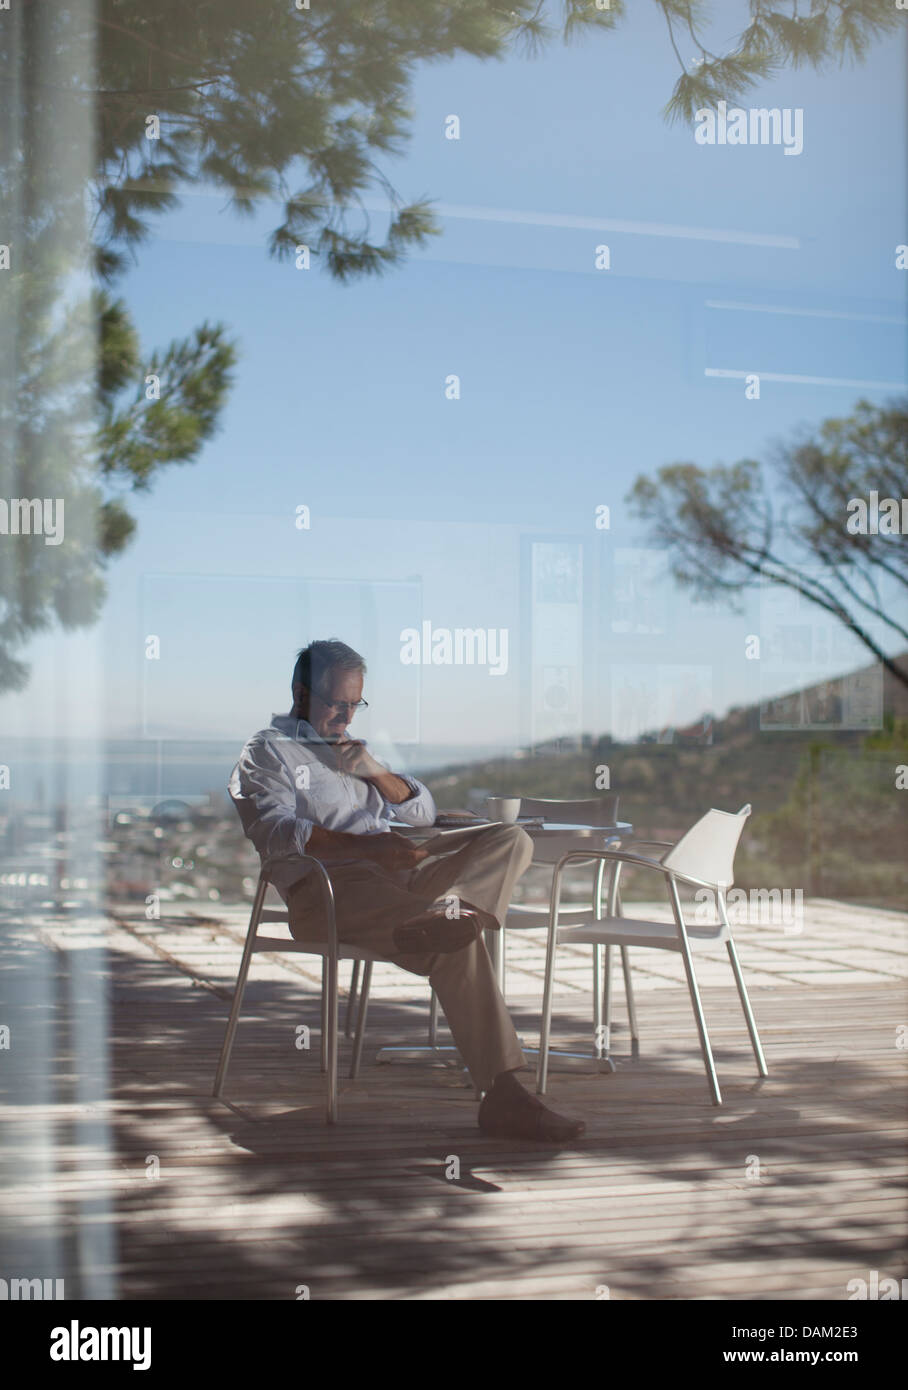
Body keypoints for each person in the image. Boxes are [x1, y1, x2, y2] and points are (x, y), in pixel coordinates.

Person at [229, 638, 585, 1142]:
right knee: (456, 941)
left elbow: (418, 811)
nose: (346, 716)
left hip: (404, 881)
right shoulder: (267, 752)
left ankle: (446, 915)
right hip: (329, 892)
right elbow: (279, 836)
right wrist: (370, 850)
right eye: (336, 703)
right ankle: (506, 1095)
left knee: (509, 837)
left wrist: (374, 772)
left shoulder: (352, 751)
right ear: (300, 692)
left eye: (356, 704)